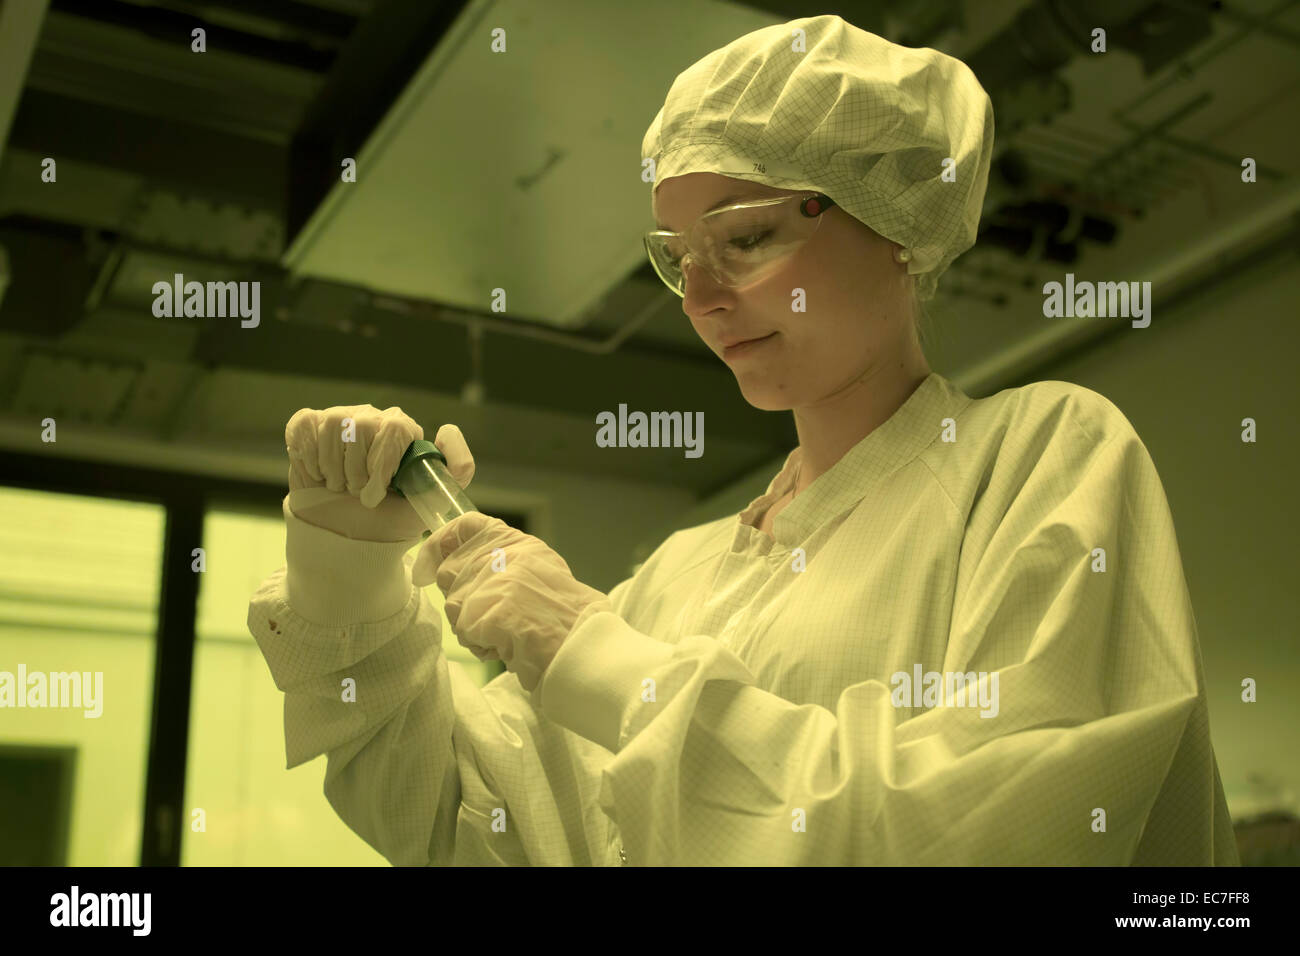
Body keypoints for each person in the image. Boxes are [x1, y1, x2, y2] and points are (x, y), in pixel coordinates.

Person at [248, 14, 1238, 866]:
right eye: (678, 257)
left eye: (749, 236)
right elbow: (457, 825)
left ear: (899, 221)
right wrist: (351, 568)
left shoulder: (1040, 458)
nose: (704, 298)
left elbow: (989, 833)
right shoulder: (678, 576)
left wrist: (597, 654)